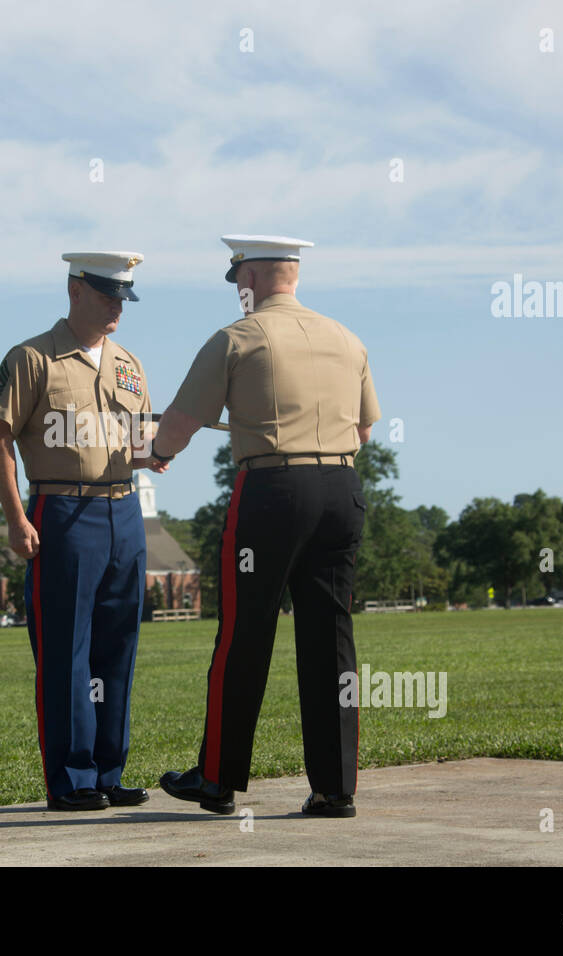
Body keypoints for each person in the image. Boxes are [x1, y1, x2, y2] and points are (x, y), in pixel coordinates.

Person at [154, 235, 381, 818]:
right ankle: (335, 788)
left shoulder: (238, 337)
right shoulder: (347, 337)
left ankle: (217, 779)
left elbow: (181, 421)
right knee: (331, 636)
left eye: (238, 280)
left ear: (251, 277)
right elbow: (363, 432)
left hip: (273, 491)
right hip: (342, 488)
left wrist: (155, 452)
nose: (237, 291)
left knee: (243, 635)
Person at [0, 251, 153, 811]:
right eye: (107, 295)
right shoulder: (32, 358)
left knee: (118, 646)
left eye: (123, 297)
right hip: (62, 512)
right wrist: (14, 516)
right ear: (75, 289)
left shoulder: (128, 363)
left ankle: (108, 770)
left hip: (124, 513)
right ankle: (71, 779)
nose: (116, 307)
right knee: (65, 652)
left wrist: (156, 451)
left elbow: (141, 436)